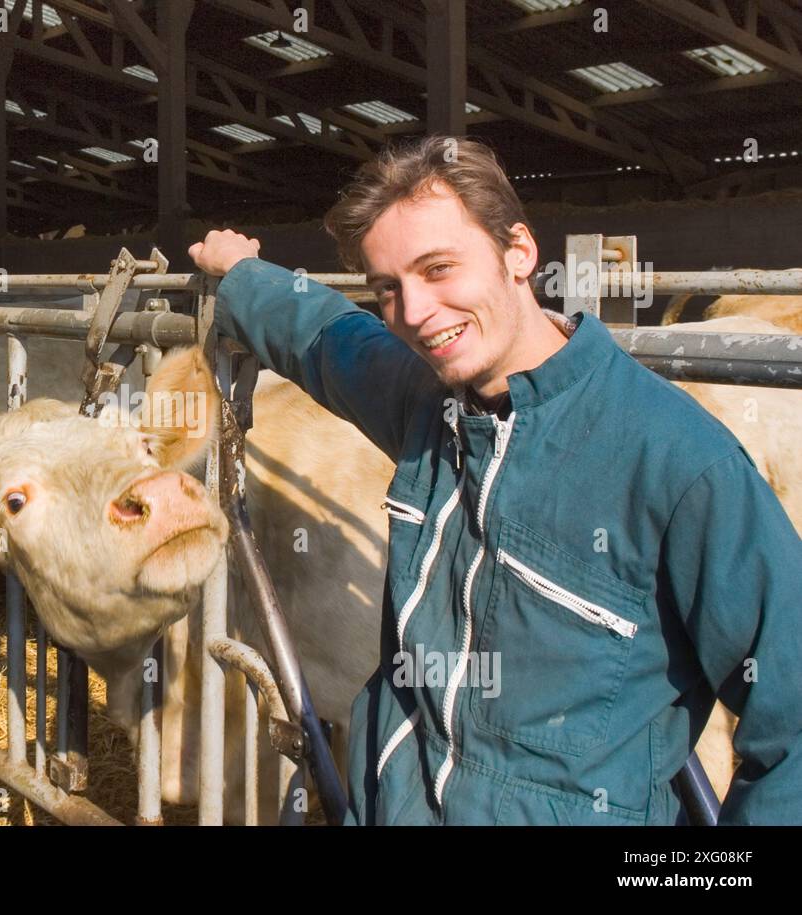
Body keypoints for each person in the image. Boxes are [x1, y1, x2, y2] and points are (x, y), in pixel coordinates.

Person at [188, 135, 802, 825]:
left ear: (520, 252)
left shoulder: (678, 461)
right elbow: (327, 336)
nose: (415, 313)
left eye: (440, 268)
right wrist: (240, 274)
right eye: (389, 288)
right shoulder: (425, 398)